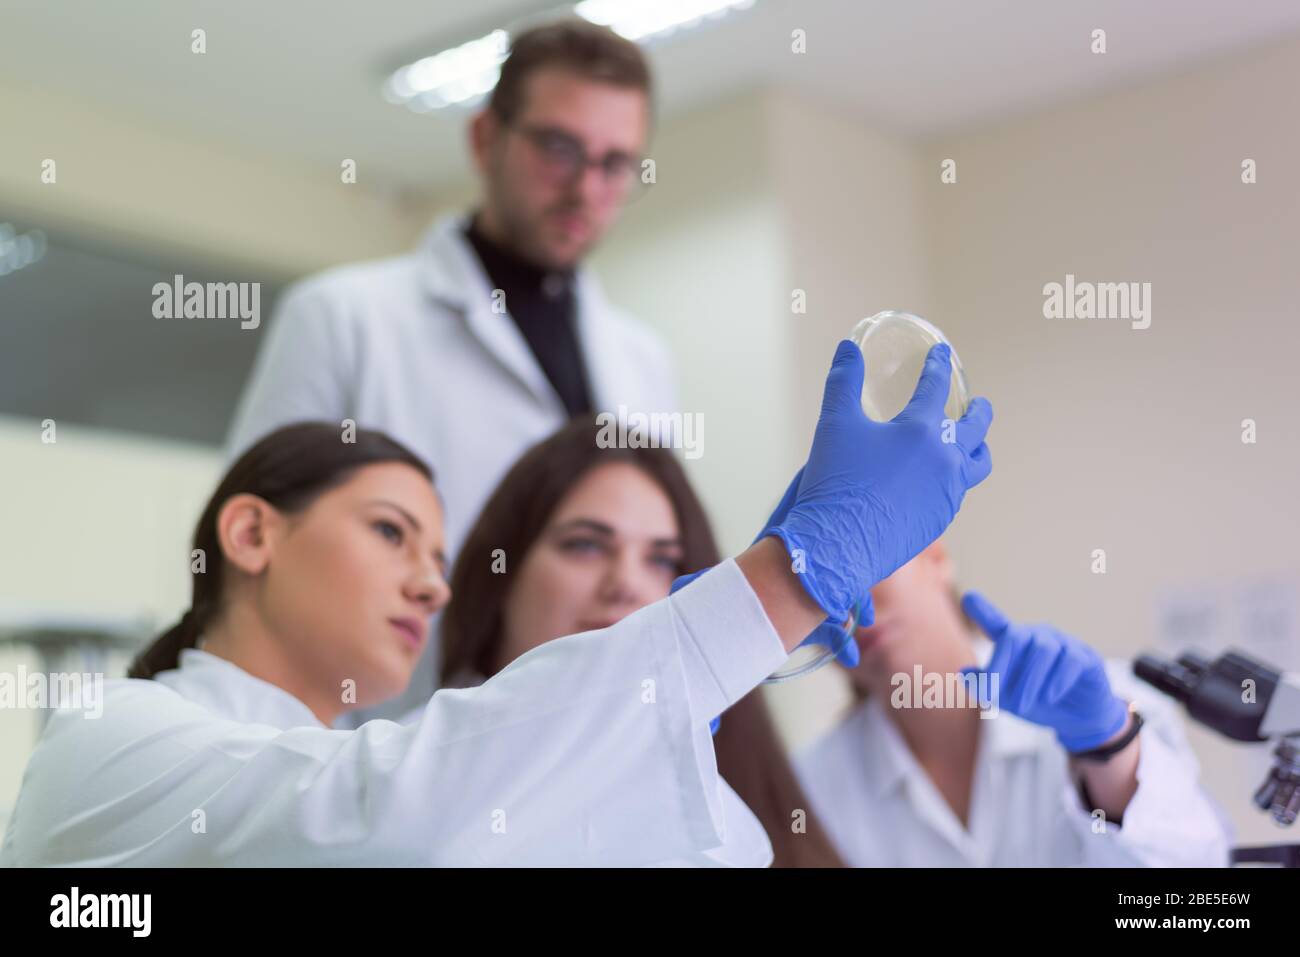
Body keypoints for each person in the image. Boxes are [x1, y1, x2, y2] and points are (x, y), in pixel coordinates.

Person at [0, 341, 994, 865]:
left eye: (437, 552)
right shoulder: (112, 744)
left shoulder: (462, 772)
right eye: (390, 531)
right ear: (253, 535)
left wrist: (696, 682)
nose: (430, 581)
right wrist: (777, 584)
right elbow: (390, 816)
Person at [226, 20, 673, 718]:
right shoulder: (345, 318)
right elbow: (250, 575)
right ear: (484, 139)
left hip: (590, 737)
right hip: (381, 745)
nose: (587, 187)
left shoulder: (641, 360)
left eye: (615, 163)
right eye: (560, 148)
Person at [438, 419, 846, 866]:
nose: (627, 584)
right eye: (586, 545)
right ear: (502, 576)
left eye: (661, 559)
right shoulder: (416, 769)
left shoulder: (744, 777)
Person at [793, 540, 1233, 867]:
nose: (851, 607)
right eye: (818, 591)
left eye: (860, 564)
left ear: (934, 557)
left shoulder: (1115, 706)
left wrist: (1111, 750)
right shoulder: (811, 786)